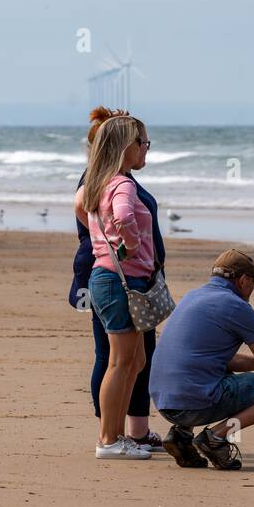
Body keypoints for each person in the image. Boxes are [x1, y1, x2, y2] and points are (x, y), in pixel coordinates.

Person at [149, 249, 254, 470]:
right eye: (253, 283)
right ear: (244, 279)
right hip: (193, 403)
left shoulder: (192, 296)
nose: (251, 290)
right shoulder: (237, 306)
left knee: (212, 372)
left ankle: (181, 435)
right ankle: (216, 437)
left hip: (165, 403)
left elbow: (220, 360)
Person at [69, 108, 168, 454]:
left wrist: (100, 236)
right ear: (127, 145)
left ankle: (118, 436)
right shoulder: (122, 183)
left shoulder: (99, 180)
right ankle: (108, 440)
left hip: (112, 279)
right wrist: (127, 244)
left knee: (135, 360)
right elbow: (124, 215)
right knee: (119, 360)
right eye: (143, 142)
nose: (146, 149)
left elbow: (81, 205)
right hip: (117, 280)